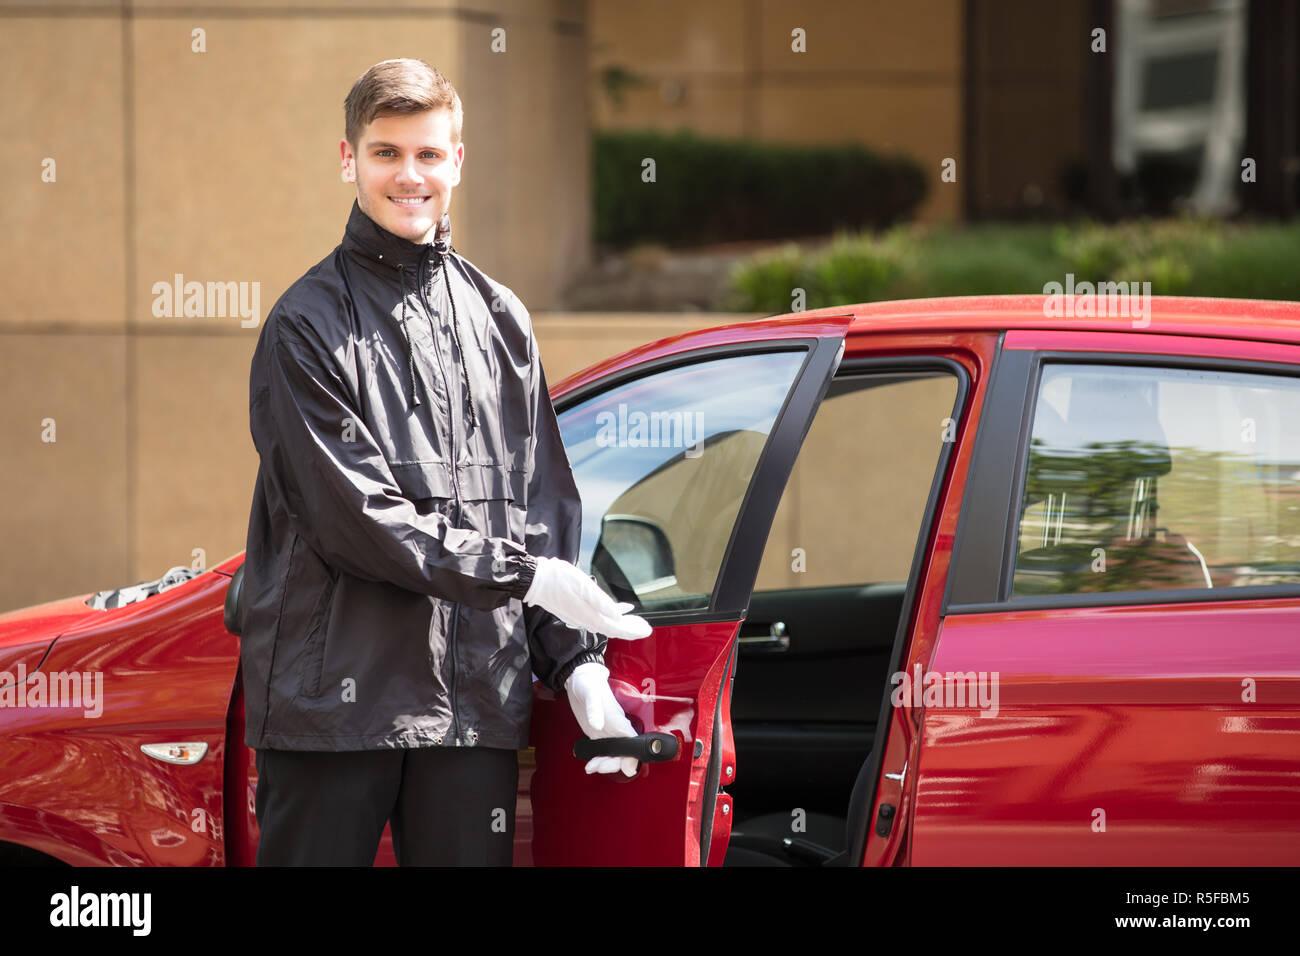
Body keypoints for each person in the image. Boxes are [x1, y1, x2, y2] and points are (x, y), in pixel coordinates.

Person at [240, 58, 651, 866]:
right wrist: (526, 577)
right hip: (333, 712)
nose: (409, 175)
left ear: (457, 162)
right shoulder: (304, 327)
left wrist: (577, 667)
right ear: (348, 160)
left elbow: (543, 514)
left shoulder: (501, 318)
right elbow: (356, 520)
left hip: (473, 707)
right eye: (386, 152)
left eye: (428, 154)